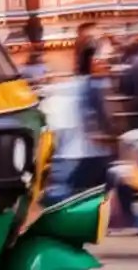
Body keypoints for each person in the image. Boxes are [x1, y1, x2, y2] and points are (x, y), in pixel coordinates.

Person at [43, 36, 112, 204]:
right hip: (85, 155)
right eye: (105, 60)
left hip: (72, 156)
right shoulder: (94, 86)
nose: (108, 65)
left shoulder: (64, 90)